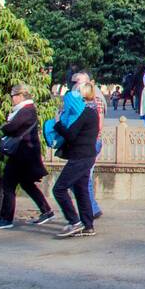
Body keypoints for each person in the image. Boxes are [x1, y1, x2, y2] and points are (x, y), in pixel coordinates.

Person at [0, 84, 54, 230]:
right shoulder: (27, 109)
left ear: (21, 96)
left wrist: (4, 126)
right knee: (26, 184)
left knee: (8, 184)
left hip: (22, 155)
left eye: (13, 96)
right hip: (25, 154)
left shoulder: (26, 110)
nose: (12, 99)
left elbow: (12, 127)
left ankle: (6, 219)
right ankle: (46, 211)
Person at [52, 81, 100, 238]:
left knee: (59, 189)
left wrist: (58, 123)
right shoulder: (93, 111)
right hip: (87, 155)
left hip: (80, 157)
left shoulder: (85, 112)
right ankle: (88, 225)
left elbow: (71, 135)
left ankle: (74, 221)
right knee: (81, 190)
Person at [71, 70, 106, 220]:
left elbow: (98, 125)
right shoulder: (78, 100)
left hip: (89, 144)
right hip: (84, 144)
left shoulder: (94, 100)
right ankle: (91, 209)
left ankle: (91, 210)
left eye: (78, 82)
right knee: (82, 178)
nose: (75, 86)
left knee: (83, 178)